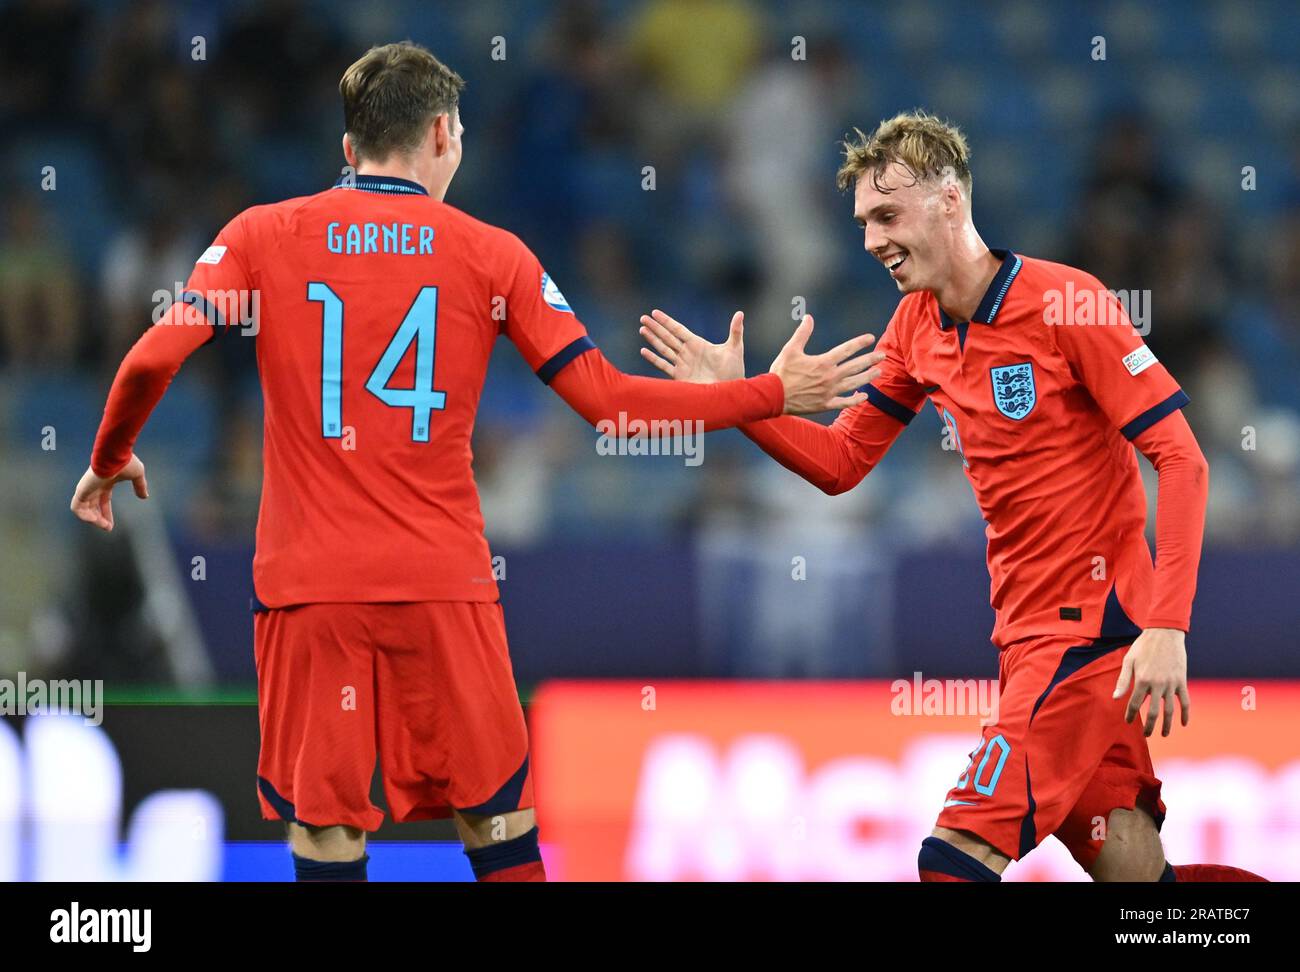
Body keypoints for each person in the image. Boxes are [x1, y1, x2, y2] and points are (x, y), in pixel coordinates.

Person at [69, 41, 882, 882]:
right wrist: (765, 395)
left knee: (327, 831)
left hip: (309, 586)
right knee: (497, 821)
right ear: (445, 136)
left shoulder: (260, 235)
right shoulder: (492, 254)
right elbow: (611, 406)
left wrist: (109, 455)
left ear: (349, 150)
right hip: (443, 580)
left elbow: (147, 362)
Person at [638, 110, 1267, 882]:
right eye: (865, 222)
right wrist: (744, 398)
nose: (871, 240)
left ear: (950, 199)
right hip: (1023, 636)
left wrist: (1167, 625)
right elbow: (841, 460)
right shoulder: (914, 329)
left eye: (887, 215)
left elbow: (1183, 459)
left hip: (1092, 636)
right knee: (1144, 888)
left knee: (951, 858)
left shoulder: (1069, 303)